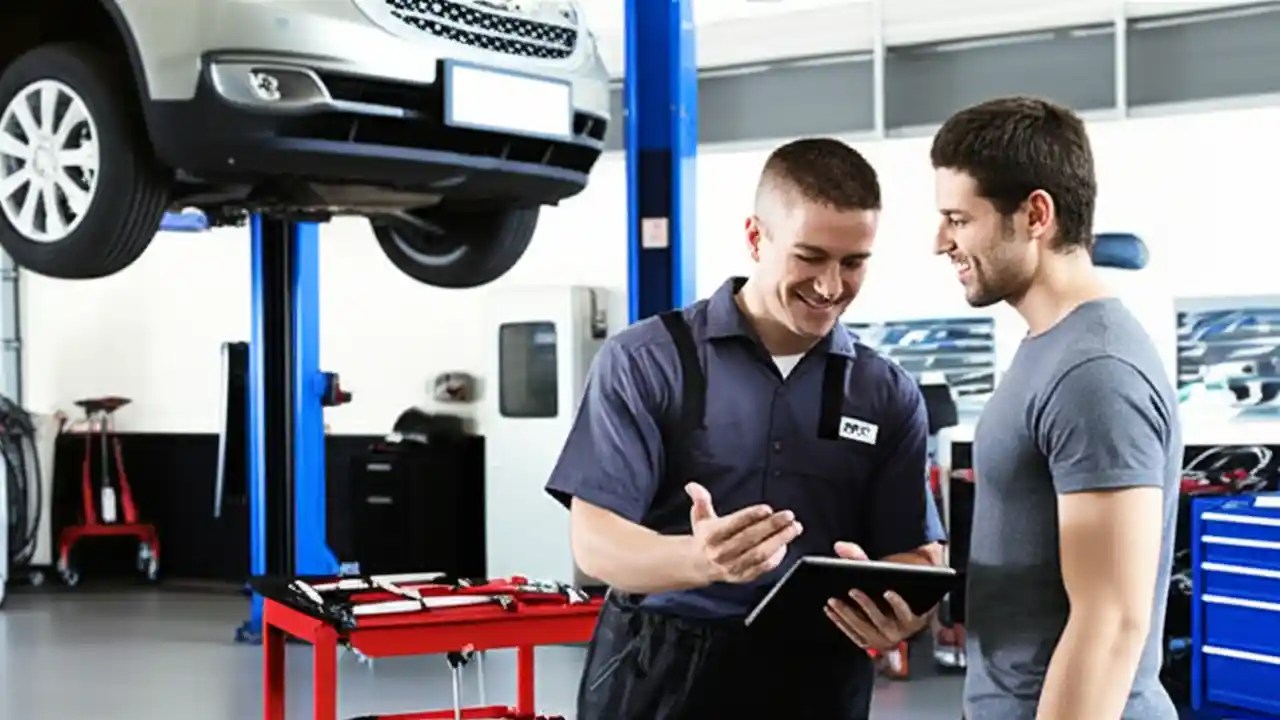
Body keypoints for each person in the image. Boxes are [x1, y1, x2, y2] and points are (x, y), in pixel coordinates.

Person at [543, 137, 948, 719]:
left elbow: (915, 552)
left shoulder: (885, 393)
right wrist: (699, 560)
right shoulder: (646, 362)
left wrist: (905, 607)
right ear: (757, 237)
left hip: (819, 676)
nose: (831, 286)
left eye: (853, 262)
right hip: (660, 671)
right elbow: (596, 543)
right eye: (809, 257)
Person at [930, 96, 1182, 720]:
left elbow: (1112, 622)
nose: (942, 242)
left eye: (959, 219)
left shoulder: (1094, 373)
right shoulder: (1050, 348)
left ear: (1035, 214)